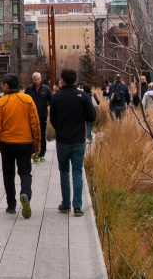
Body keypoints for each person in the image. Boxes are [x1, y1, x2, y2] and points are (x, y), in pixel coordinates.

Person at [0, 74, 41, 219]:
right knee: (25, 172)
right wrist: (38, 143)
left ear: (6, 85)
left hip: (7, 143)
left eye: (3, 84)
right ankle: (25, 193)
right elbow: (35, 123)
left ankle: (11, 205)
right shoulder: (27, 100)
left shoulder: (1, 102)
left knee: (8, 173)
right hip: (25, 142)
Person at [49, 68, 96, 217]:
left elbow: (53, 119)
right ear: (75, 79)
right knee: (77, 171)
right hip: (78, 140)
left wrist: (60, 129)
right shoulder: (82, 96)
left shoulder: (56, 97)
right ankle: (77, 206)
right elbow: (91, 116)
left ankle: (66, 204)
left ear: (62, 79)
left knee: (64, 171)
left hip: (63, 140)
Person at [24, 72, 52, 162]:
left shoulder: (46, 89)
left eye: (38, 79)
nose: (36, 81)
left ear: (41, 79)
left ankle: (42, 154)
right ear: (32, 80)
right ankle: (33, 154)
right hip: (31, 116)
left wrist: (45, 105)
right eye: (35, 79)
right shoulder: (28, 89)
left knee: (42, 136)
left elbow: (51, 100)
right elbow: (24, 101)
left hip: (42, 116)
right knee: (31, 136)